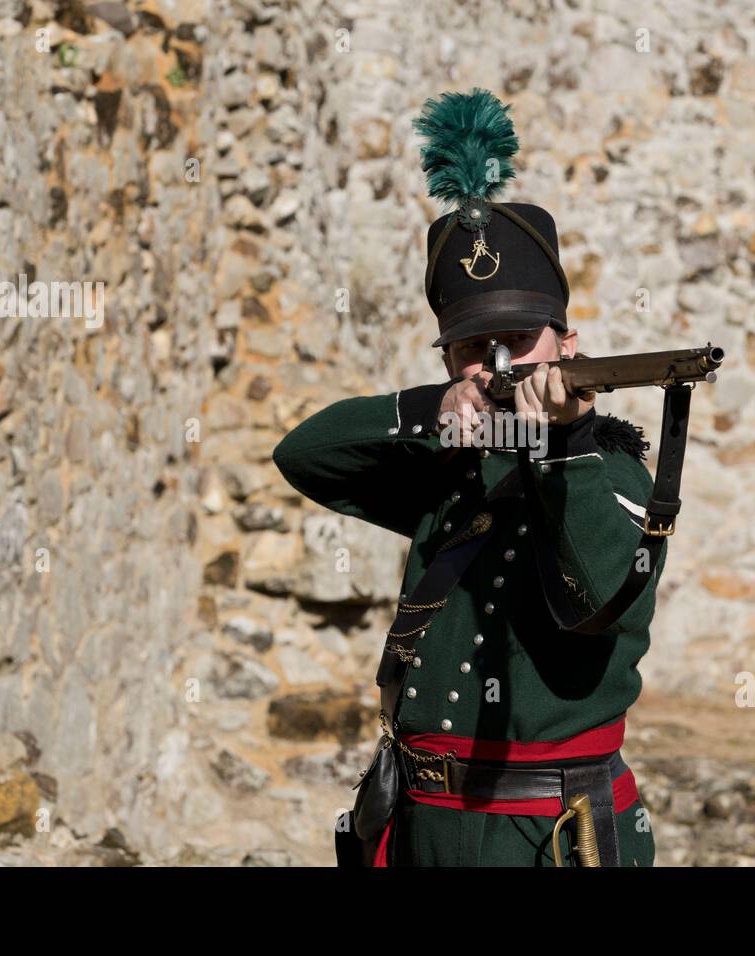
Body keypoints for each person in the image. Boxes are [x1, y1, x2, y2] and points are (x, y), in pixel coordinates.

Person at [270, 89, 666, 866]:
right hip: (420, 822)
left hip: (550, 834)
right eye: (471, 351)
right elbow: (304, 453)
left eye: (520, 340)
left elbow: (609, 594)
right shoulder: (449, 466)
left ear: (566, 342)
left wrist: (566, 438)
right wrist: (431, 405)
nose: (498, 364)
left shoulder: (607, 464)